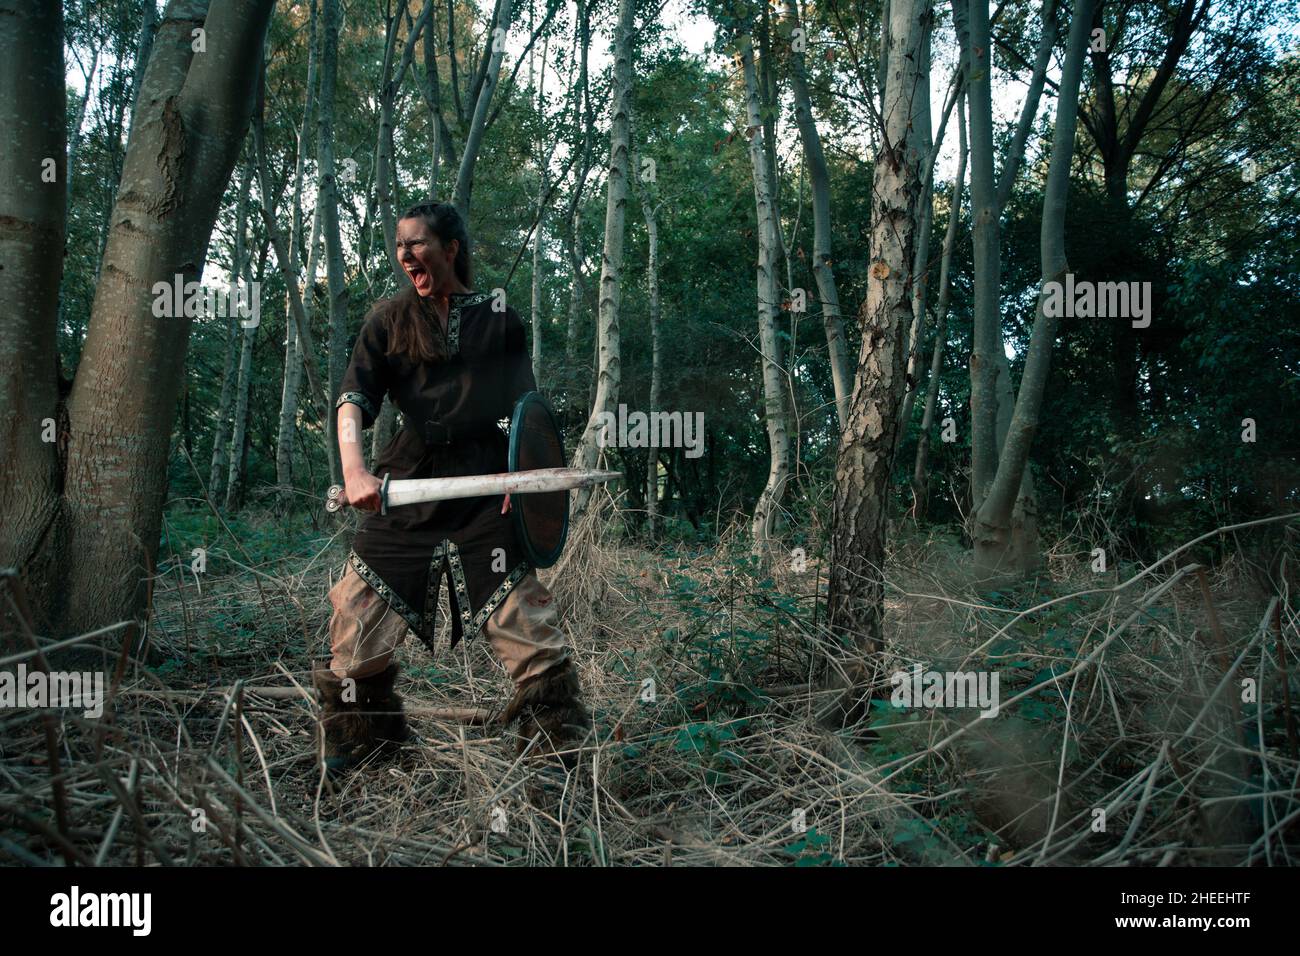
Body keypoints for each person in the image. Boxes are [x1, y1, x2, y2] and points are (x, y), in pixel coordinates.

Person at [313, 200, 590, 776]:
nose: (406, 255)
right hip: (407, 480)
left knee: (523, 617)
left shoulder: (500, 318)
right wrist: (355, 472)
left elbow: (524, 413)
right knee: (356, 610)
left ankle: (556, 768)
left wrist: (525, 479)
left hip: (487, 488)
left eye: (417, 243)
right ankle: (363, 750)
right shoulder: (387, 319)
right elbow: (352, 401)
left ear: (451, 248)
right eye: (399, 247)